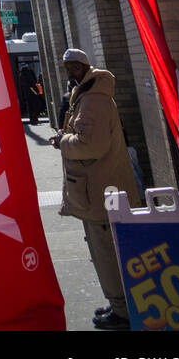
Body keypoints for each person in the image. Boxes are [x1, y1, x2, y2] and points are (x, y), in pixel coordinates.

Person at [50, 48, 140, 332]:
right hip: (97, 190)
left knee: (107, 253)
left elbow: (92, 145)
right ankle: (118, 304)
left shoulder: (93, 101)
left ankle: (123, 311)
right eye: (66, 68)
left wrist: (63, 141)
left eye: (72, 67)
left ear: (82, 68)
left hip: (101, 193)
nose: (68, 73)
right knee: (104, 251)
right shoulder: (87, 96)